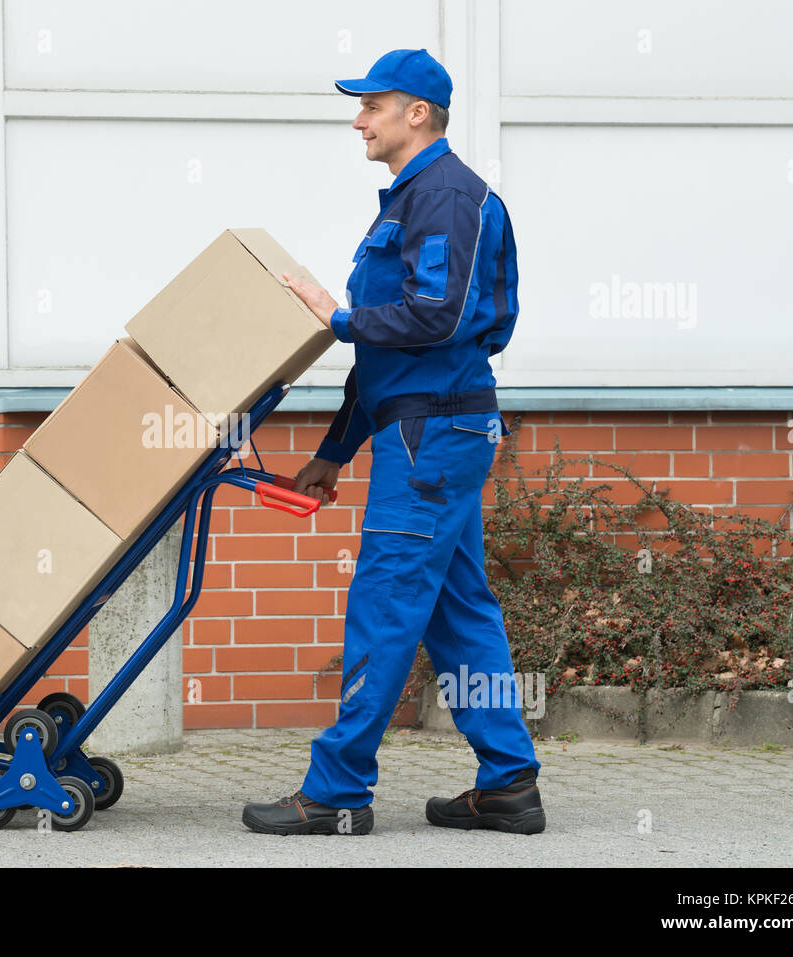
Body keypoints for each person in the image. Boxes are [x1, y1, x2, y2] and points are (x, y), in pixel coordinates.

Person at [242, 49, 545, 836]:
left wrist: (333, 317)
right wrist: (333, 453)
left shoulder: (445, 197)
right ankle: (509, 783)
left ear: (418, 112)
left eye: (371, 105)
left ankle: (337, 790)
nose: (358, 119)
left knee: (384, 603)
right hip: (428, 430)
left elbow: (436, 319)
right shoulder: (409, 202)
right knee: (457, 608)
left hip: (431, 438)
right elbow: (388, 355)